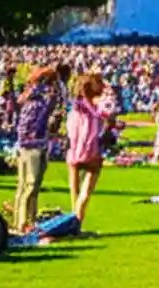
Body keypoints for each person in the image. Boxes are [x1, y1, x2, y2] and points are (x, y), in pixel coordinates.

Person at [14, 67, 56, 233]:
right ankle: (24, 223)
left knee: (23, 186)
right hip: (33, 147)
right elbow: (37, 124)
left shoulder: (30, 100)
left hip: (25, 147)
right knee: (31, 186)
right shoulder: (36, 103)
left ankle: (25, 220)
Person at [66, 73, 111, 226]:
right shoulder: (97, 106)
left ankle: (72, 220)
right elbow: (108, 115)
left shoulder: (75, 107)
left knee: (74, 190)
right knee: (86, 192)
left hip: (74, 151)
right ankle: (78, 220)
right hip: (92, 151)